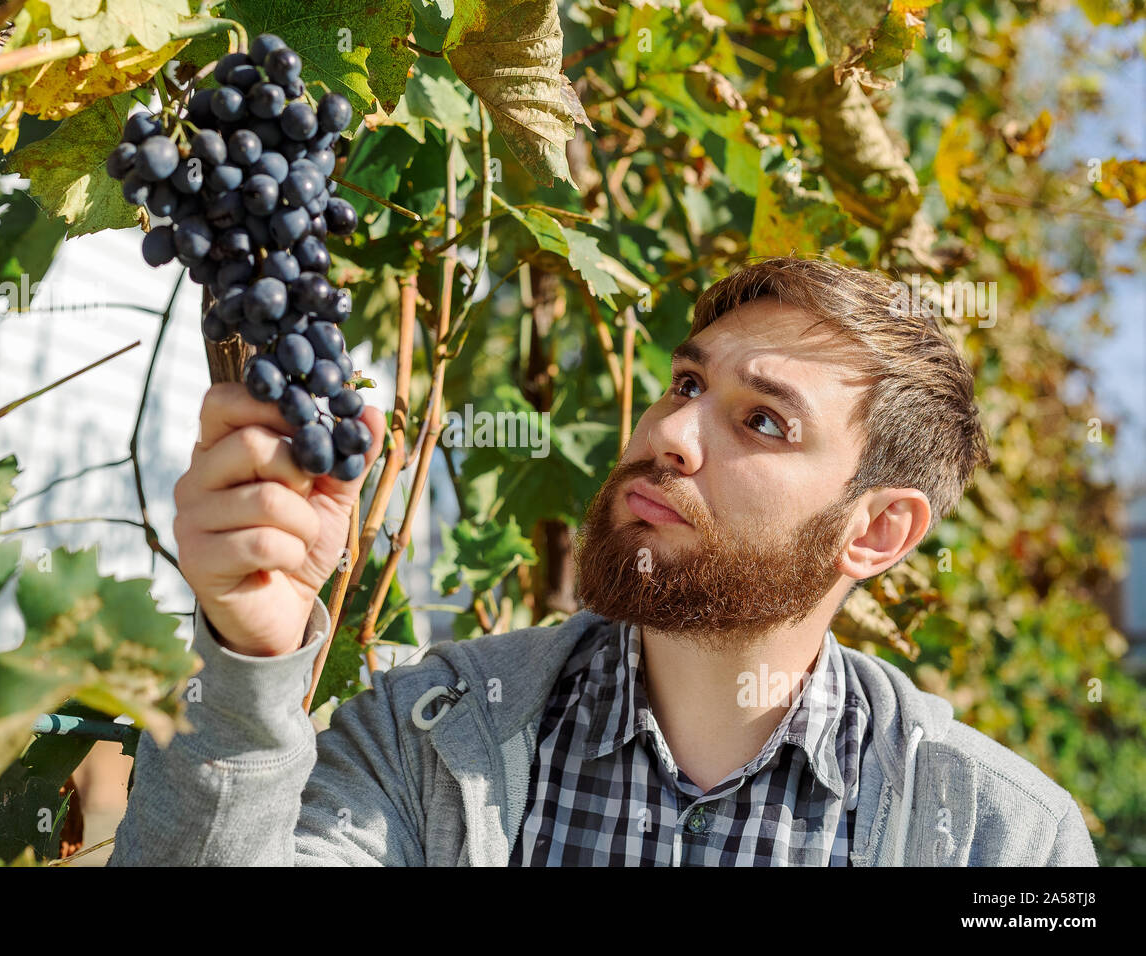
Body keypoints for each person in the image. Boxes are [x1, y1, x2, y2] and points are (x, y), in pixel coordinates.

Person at [110, 256, 1097, 866]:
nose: (671, 430)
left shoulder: (1000, 839)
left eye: (760, 419)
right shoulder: (419, 739)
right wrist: (247, 664)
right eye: (683, 382)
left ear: (875, 531)